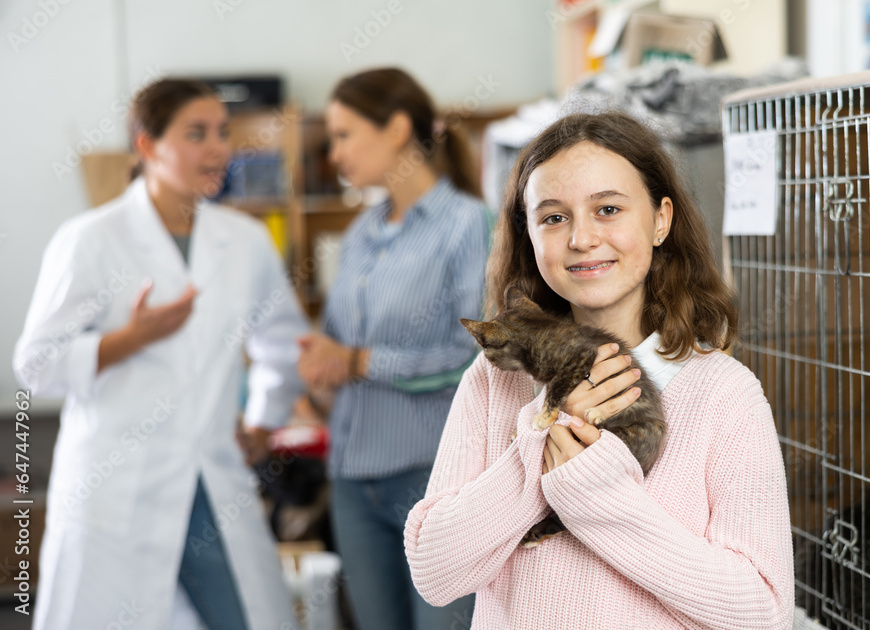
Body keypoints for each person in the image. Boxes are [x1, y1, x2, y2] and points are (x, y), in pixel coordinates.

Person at [403, 111, 795, 629]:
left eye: (607, 209)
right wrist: (538, 445)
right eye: (553, 217)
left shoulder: (724, 394)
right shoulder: (497, 376)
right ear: (530, 235)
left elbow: (765, 614)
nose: (582, 239)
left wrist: (595, 495)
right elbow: (436, 573)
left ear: (661, 220)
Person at [14, 78, 307, 630]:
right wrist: (130, 338)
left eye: (222, 132)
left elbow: (285, 345)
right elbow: (35, 364)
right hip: (115, 490)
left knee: (249, 616)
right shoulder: (90, 239)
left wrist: (265, 423)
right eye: (196, 133)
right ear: (147, 146)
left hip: (213, 478)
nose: (218, 147)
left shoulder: (243, 241)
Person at [296, 68, 485, 630]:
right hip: (351, 479)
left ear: (398, 128)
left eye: (344, 135)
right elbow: (338, 342)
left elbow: (476, 357)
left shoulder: (469, 225)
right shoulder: (360, 233)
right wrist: (321, 367)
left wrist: (361, 362)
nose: (334, 154)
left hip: (430, 477)